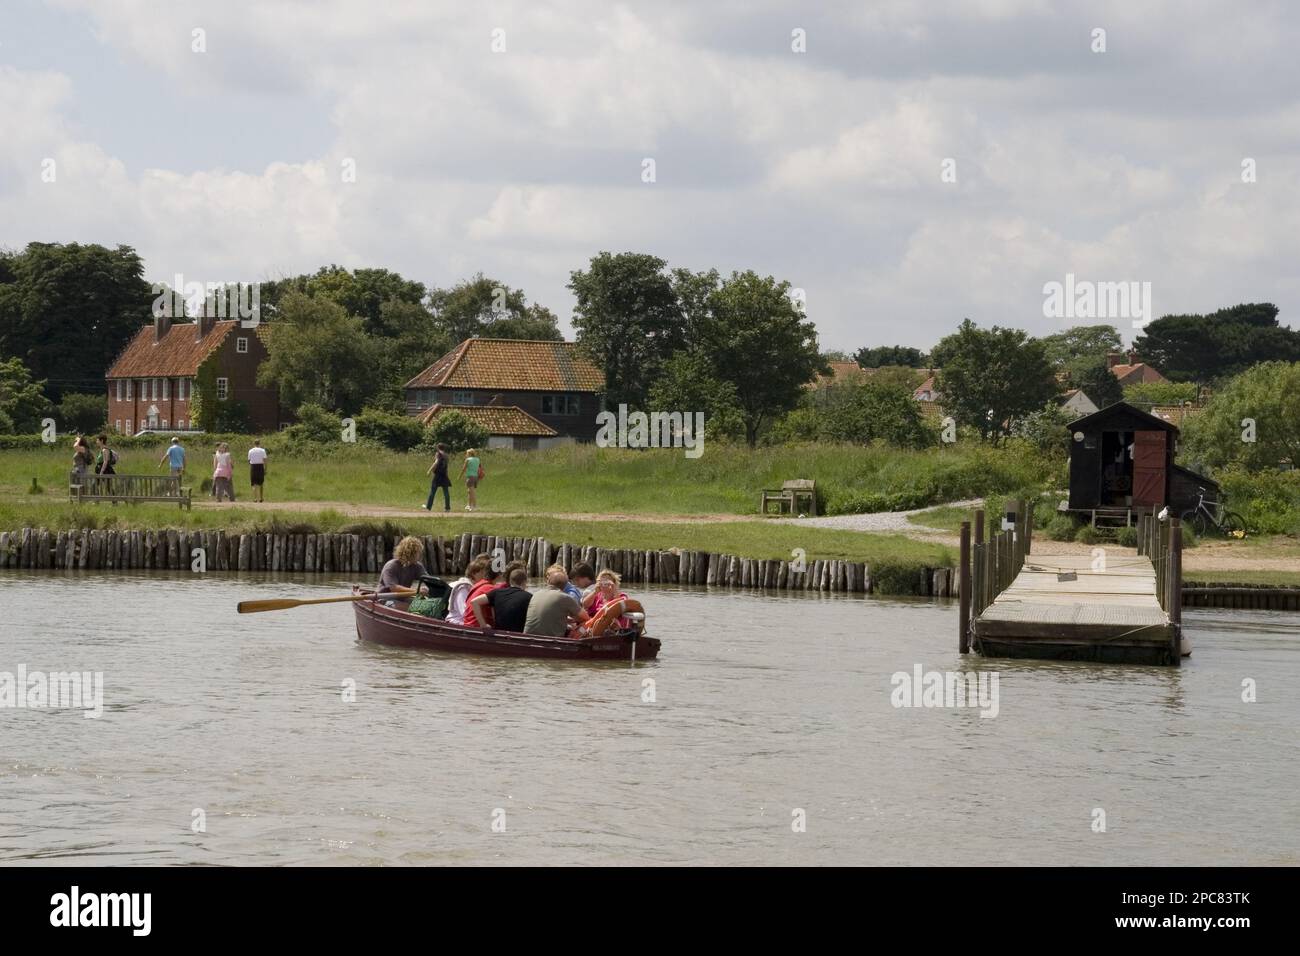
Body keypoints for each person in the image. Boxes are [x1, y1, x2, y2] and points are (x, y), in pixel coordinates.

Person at [525, 567, 590, 638]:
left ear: (548, 582)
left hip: (528, 638)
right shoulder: (565, 597)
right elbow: (586, 618)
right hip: (551, 641)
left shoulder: (536, 594)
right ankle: (575, 642)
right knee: (588, 623)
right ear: (565, 585)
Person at [470, 566, 531, 632]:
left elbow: (474, 602)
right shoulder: (529, 597)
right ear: (525, 582)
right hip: (518, 635)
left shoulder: (496, 592)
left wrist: (483, 625)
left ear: (510, 581)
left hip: (499, 634)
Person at [463, 557, 503, 627]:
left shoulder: (478, 584)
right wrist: (483, 625)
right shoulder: (491, 589)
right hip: (476, 626)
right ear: (500, 575)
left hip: (467, 624)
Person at [423, 443, 452, 511]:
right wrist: (447, 475)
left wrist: (429, 470)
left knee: (433, 491)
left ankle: (428, 507)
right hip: (444, 475)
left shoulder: (438, 454)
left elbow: (436, 462)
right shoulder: (446, 455)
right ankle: (447, 508)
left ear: (438, 447)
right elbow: (446, 467)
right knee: (446, 492)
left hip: (437, 475)